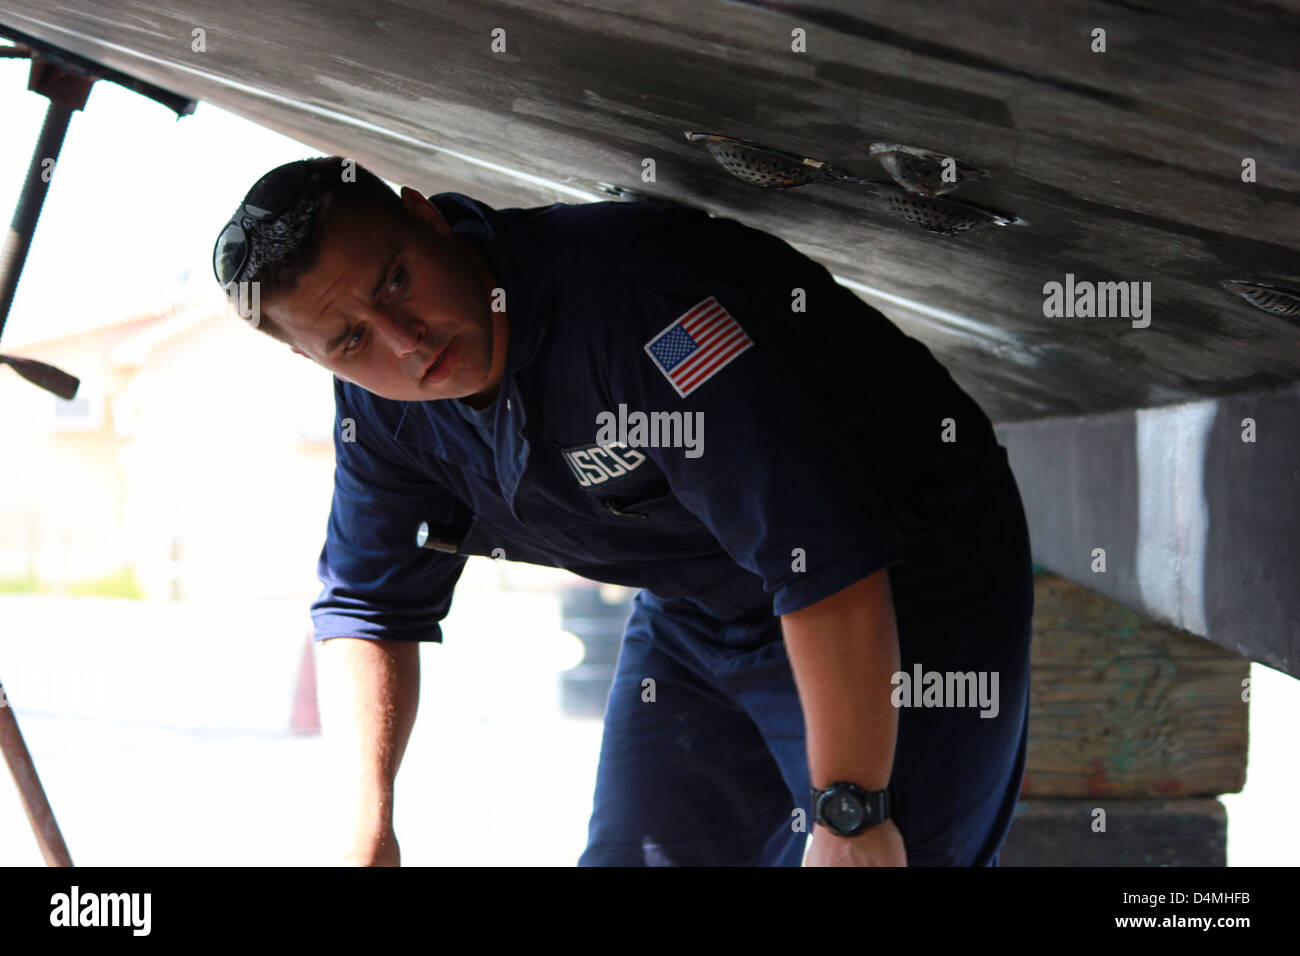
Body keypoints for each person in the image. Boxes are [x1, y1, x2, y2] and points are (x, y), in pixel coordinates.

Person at [211, 156, 1035, 866]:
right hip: (701, 608)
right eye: (350, 340)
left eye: (395, 281)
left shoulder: (641, 307)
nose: (404, 340)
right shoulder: (383, 407)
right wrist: (369, 837)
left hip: (902, 578)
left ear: (429, 219)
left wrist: (850, 809)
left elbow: (819, 551)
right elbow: (369, 605)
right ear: (308, 356)